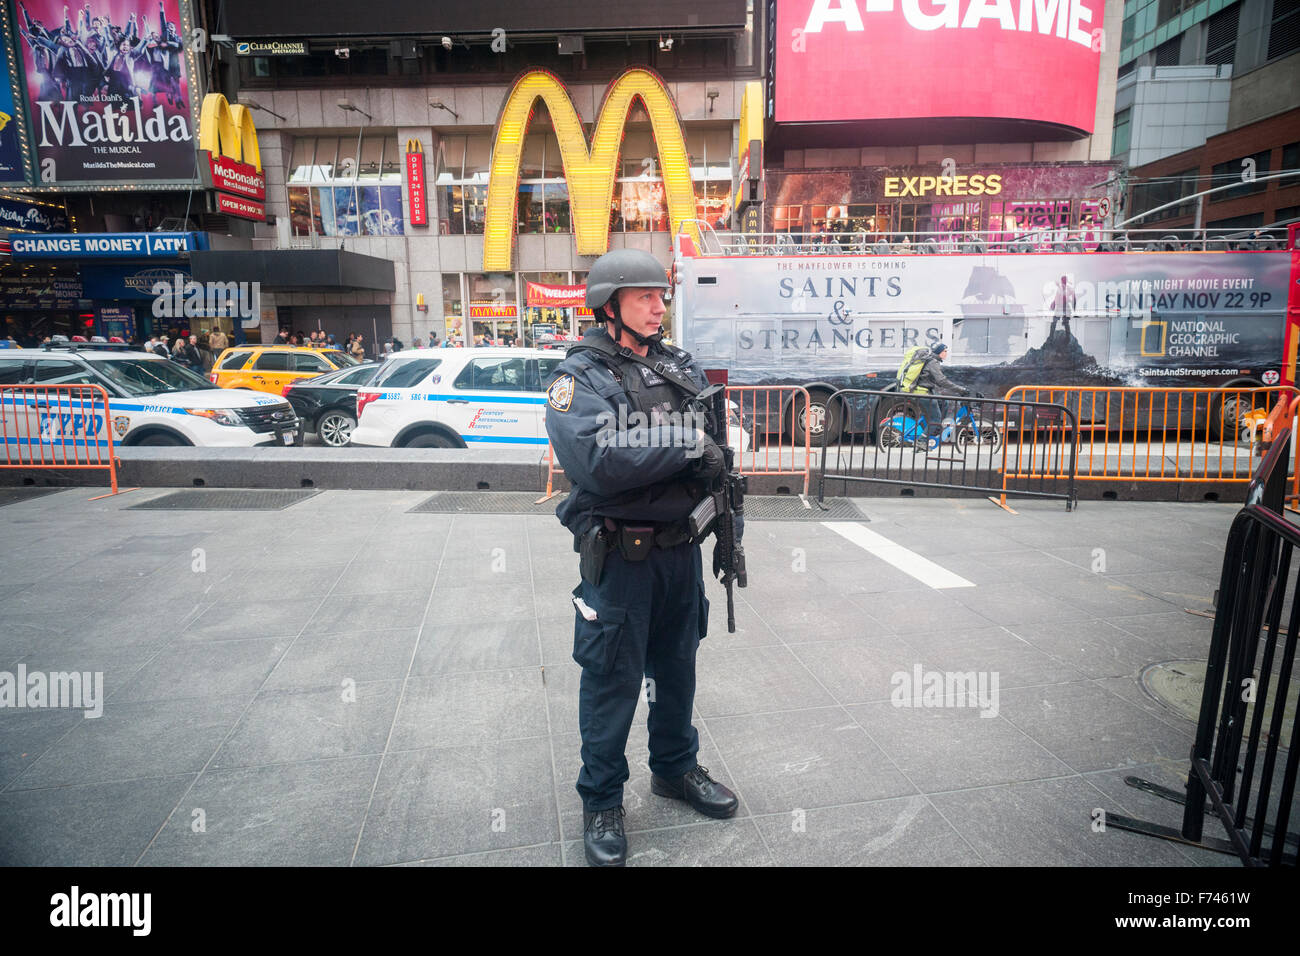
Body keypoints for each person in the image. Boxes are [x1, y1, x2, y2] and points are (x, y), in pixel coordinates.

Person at [545, 249, 739, 868]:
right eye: (644, 297)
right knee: (612, 681)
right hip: (621, 560)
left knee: (676, 667)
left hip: (680, 550)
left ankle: (674, 768)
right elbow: (599, 461)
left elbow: (716, 447)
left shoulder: (675, 364)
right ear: (609, 306)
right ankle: (601, 799)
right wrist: (688, 445)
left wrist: (727, 526)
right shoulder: (581, 378)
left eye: (662, 295)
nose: (660, 307)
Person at [896, 342, 968, 434]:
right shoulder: (933, 362)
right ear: (939, 352)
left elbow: (932, 379)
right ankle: (923, 440)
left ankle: (935, 429)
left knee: (944, 402)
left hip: (922, 392)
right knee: (936, 418)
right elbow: (941, 381)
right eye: (944, 351)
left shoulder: (931, 360)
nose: (946, 353)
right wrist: (961, 390)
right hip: (921, 393)